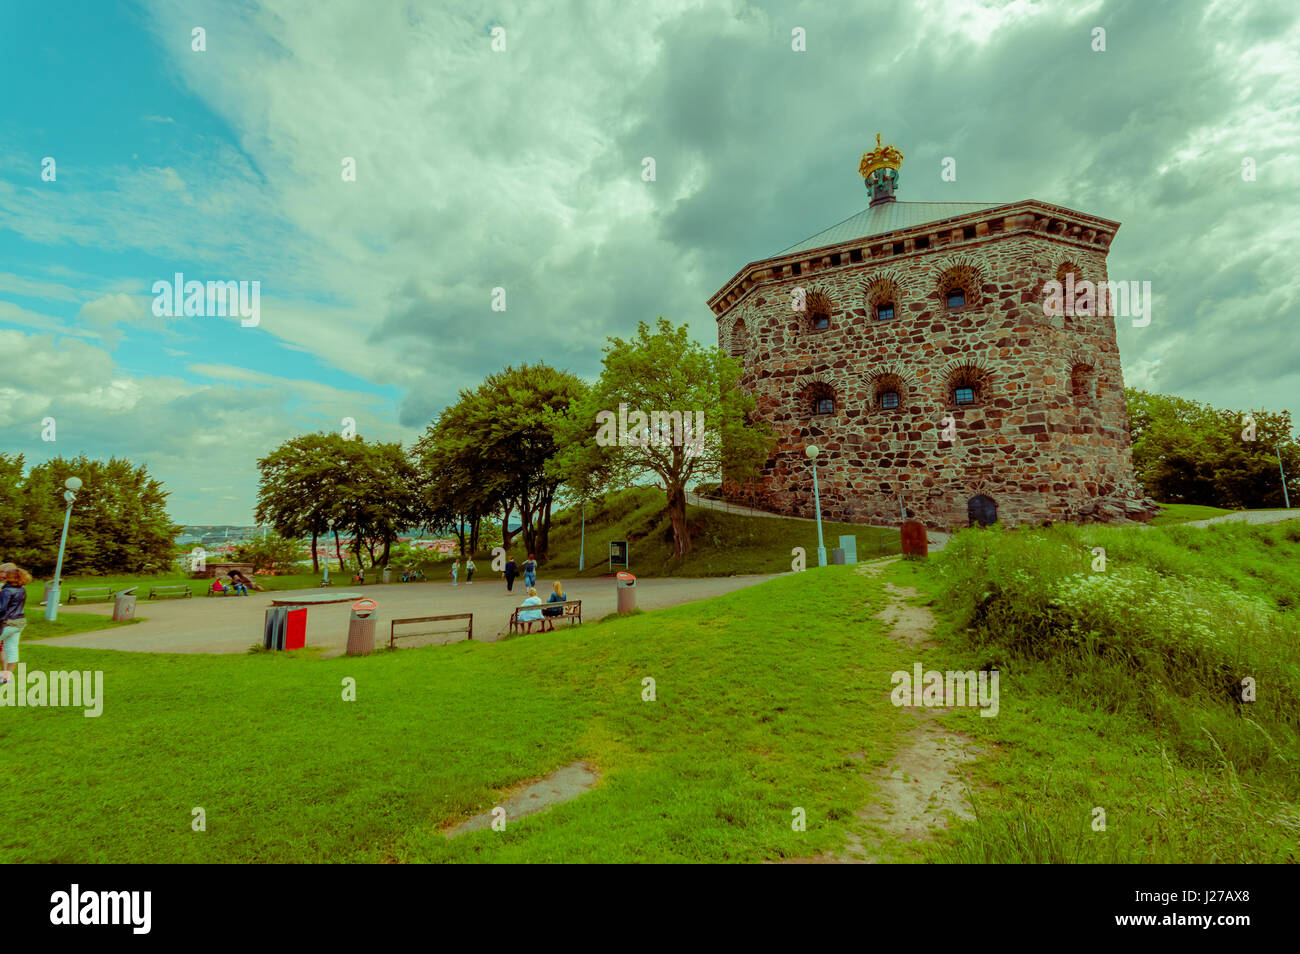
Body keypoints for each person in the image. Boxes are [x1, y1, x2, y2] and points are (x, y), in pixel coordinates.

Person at [0, 563, 31, 684]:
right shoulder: (22, 590)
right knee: (12, 649)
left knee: (8, 649)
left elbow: (1, 608)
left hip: (7, 623)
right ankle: (6, 678)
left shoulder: (7, 591)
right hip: (19, 623)